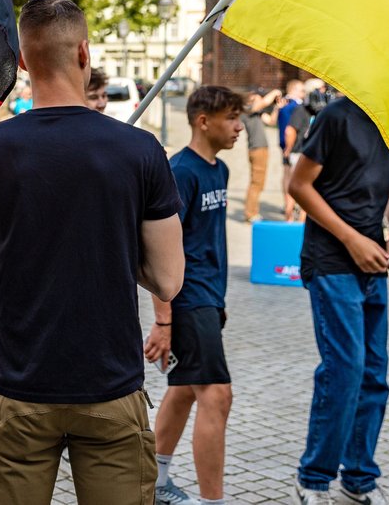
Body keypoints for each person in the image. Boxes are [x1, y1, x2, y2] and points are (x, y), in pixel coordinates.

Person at [0, 0, 185, 505]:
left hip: (19, 386)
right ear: (84, 53)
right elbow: (168, 279)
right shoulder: (140, 151)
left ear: (20, 61)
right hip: (109, 387)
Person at [287, 96, 389, 505]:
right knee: (345, 369)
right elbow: (298, 186)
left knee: (374, 373)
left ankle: (358, 479)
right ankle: (314, 478)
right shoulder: (336, 116)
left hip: (373, 263)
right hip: (332, 260)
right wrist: (352, 239)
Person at [143, 86, 245, 505]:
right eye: (231, 118)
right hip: (189, 299)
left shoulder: (218, 171)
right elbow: (157, 248)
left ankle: (154, 481)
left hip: (211, 298)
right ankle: (212, 501)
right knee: (217, 394)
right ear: (204, 121)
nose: (240, 127)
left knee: (185, 387)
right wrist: (163, 320)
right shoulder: (180, 172)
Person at [240, 88, 281, 222]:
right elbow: (263, 102)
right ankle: (250, 214)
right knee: (256, 183)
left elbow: (271, 122)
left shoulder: (257, 113)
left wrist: (276, 108)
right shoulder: (248, 109)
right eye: (258, 97)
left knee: (259, 182)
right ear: (252, 98)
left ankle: (253, 211)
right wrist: (275, 92)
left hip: (262, 149)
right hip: (257, 149)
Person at [277, 80, 311, 222]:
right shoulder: (297, 106)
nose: (303, 94)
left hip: (286, 146)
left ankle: (289, 210)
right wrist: (289, 148)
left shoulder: (283, 105)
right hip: (294, 148)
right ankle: (294, 215)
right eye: (301, 90)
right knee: (300, 183)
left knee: (288, 177)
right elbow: (290, 130)